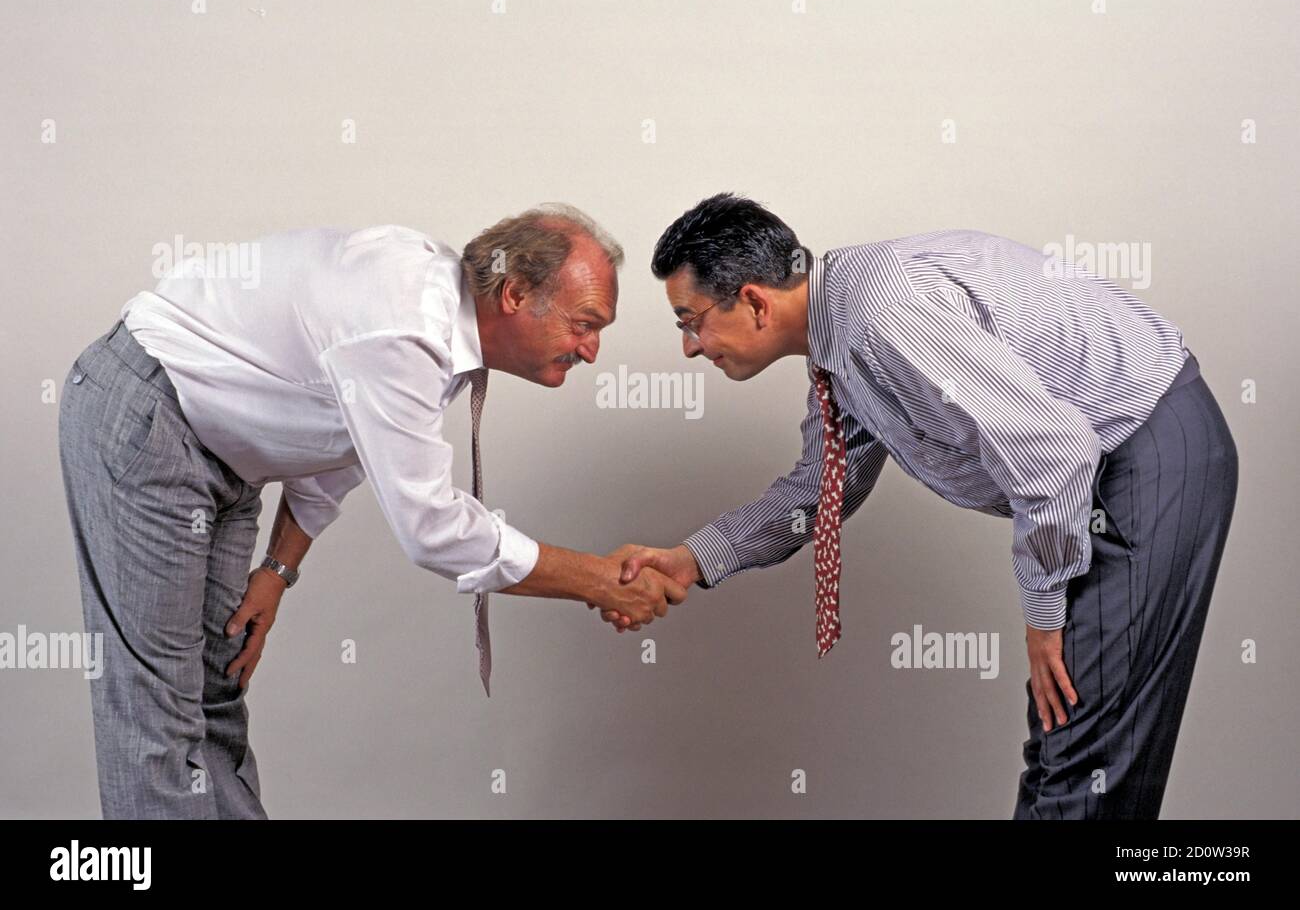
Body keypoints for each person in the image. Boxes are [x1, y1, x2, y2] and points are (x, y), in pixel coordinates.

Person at [614, 193, 1238, 819]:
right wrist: (691, 560)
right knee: (1065, 740)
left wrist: (1043, 614)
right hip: (1103, 475)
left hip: (1147, 451)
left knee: (1088, 750)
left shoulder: (884, 313)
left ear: (752, 301)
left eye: (690, 321)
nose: (690, 348)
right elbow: (821, 488)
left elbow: (1053, 449)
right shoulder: (842, 338)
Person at [57, 205, 686, 819]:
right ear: (517, 292)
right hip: (151, 417)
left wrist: (277, 570)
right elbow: (432, 530)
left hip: (226, 458)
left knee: (215, 685)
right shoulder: (406, 326)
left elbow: (348, 437)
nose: (593, 349)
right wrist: (598, 581)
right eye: (585, 323)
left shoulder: (432, 319)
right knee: (157, 704)